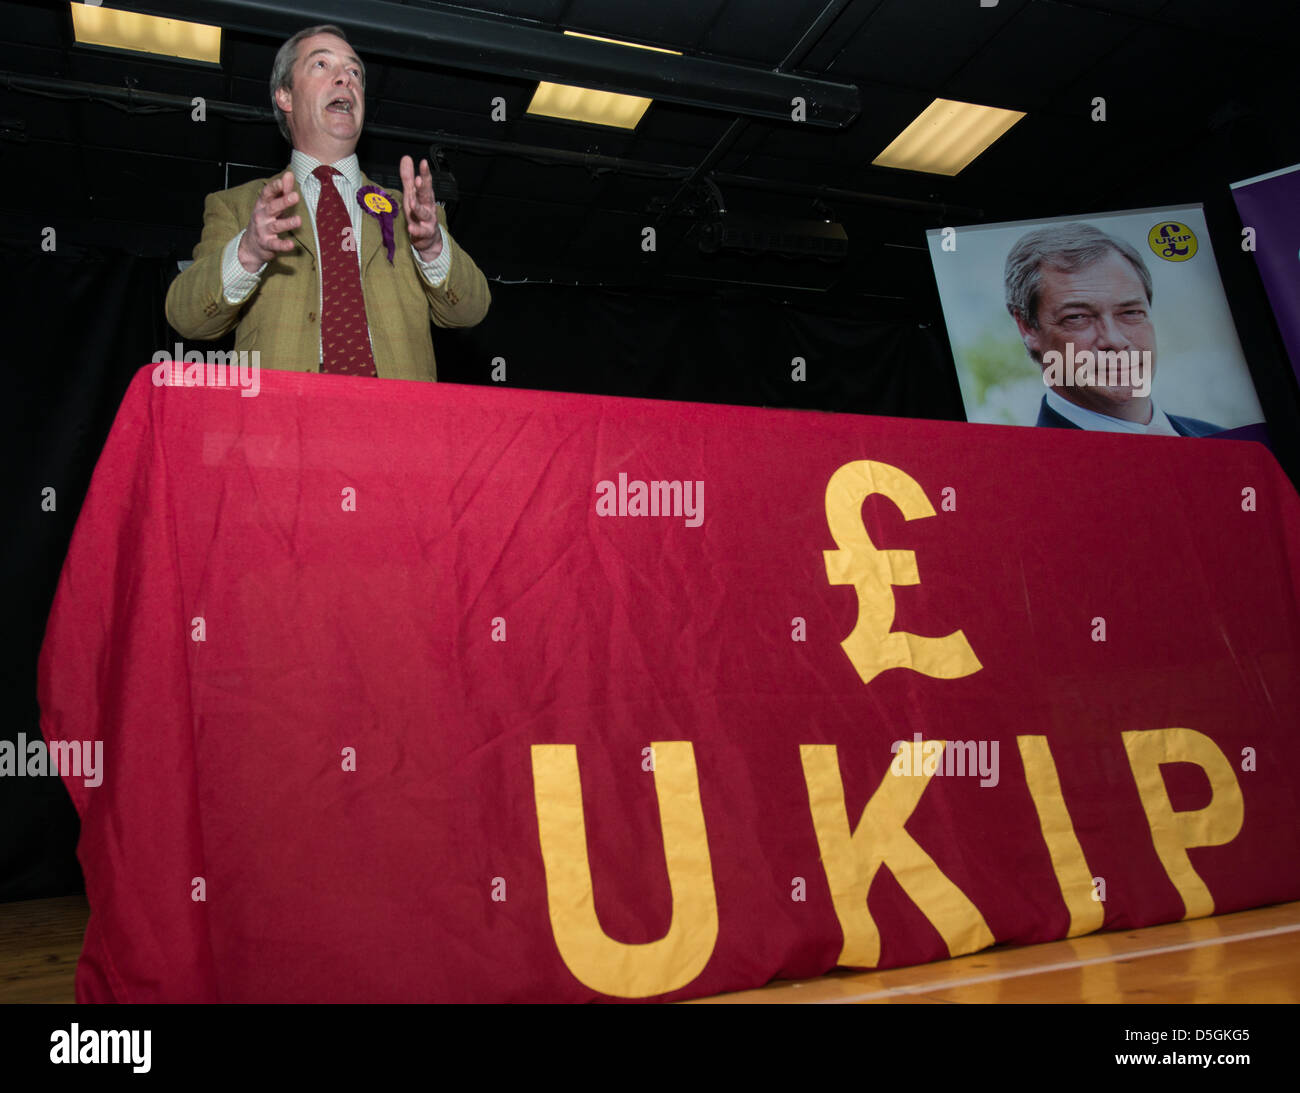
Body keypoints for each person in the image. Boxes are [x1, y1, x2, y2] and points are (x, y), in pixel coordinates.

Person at [165, 24, 489, 380]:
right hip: (281, 424)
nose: (345, 79)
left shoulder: (412, 211)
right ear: (285, 96)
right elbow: (188, 318)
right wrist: (248, 254)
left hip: (397, 423)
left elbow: (470, 311)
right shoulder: (237, 206)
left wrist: (431, 247)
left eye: (354, 72)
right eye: (322, 65)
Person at [1004, 223, 1220, 436]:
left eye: (1130, 312)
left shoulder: (1225, 439)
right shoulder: (1034, 468)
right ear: (1028, 328)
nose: (1114, 340)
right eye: (1077, 317)